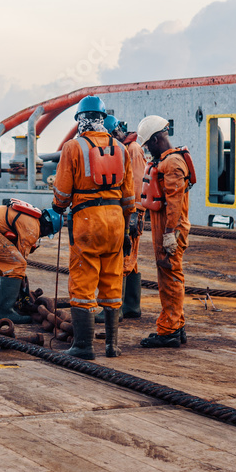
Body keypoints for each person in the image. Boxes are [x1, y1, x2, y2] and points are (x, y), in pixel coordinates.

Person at [52, 96, 136, 359]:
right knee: (112, 280)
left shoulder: (73, 147)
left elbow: (62, 193)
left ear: (80, 119)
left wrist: (57, 208)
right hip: (116, 221)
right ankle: (112, 345)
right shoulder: (121, 148)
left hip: (87, 222)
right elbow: (130, 197)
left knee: (83, 280)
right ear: (102, 119)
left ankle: (84, 346)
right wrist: (124, 225)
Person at [136, 115, 191, 348]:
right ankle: (175, 326)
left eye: (149, 143)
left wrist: (170, 234)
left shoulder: (172, 164)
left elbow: (175, 203)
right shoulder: (166, 161)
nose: (147, 149)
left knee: (170, 277)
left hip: (171, 231)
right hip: (166, 230)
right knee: (167, 276)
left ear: (158, 138)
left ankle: (169, 330)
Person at [0, 201, 62, 323]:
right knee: (16, 264)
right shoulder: (33, 227)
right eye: (47, 233)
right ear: (48, 228)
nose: (43, 235)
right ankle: (6, 312)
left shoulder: (30, 218)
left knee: (0, 265)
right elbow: (21, 259)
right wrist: (22, 286)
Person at [96, 115, 145, 322]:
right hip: (128, 210)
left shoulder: (132, 149)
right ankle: (131, 307)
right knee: (131, 260)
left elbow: (136, 183)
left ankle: (116, 311)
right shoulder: (122, 149)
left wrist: (132, 214)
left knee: (123, 258)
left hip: (132, 211)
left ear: (116, 133)